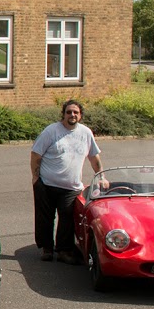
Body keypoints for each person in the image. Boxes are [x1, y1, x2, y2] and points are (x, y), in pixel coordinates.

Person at [30, 100, 102, 264]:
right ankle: (47, 249)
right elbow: (35, 154)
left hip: (71, 187)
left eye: (75, 112)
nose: (72, 115)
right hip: (46, 184)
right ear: (63, 114)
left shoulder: (86, 133)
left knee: (67, 219)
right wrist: (35, 177)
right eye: (69, 112)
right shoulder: (51, 131)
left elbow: (94, 157)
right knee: (45, 218)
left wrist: (101, 176)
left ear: (80, 115)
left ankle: (63, 251)